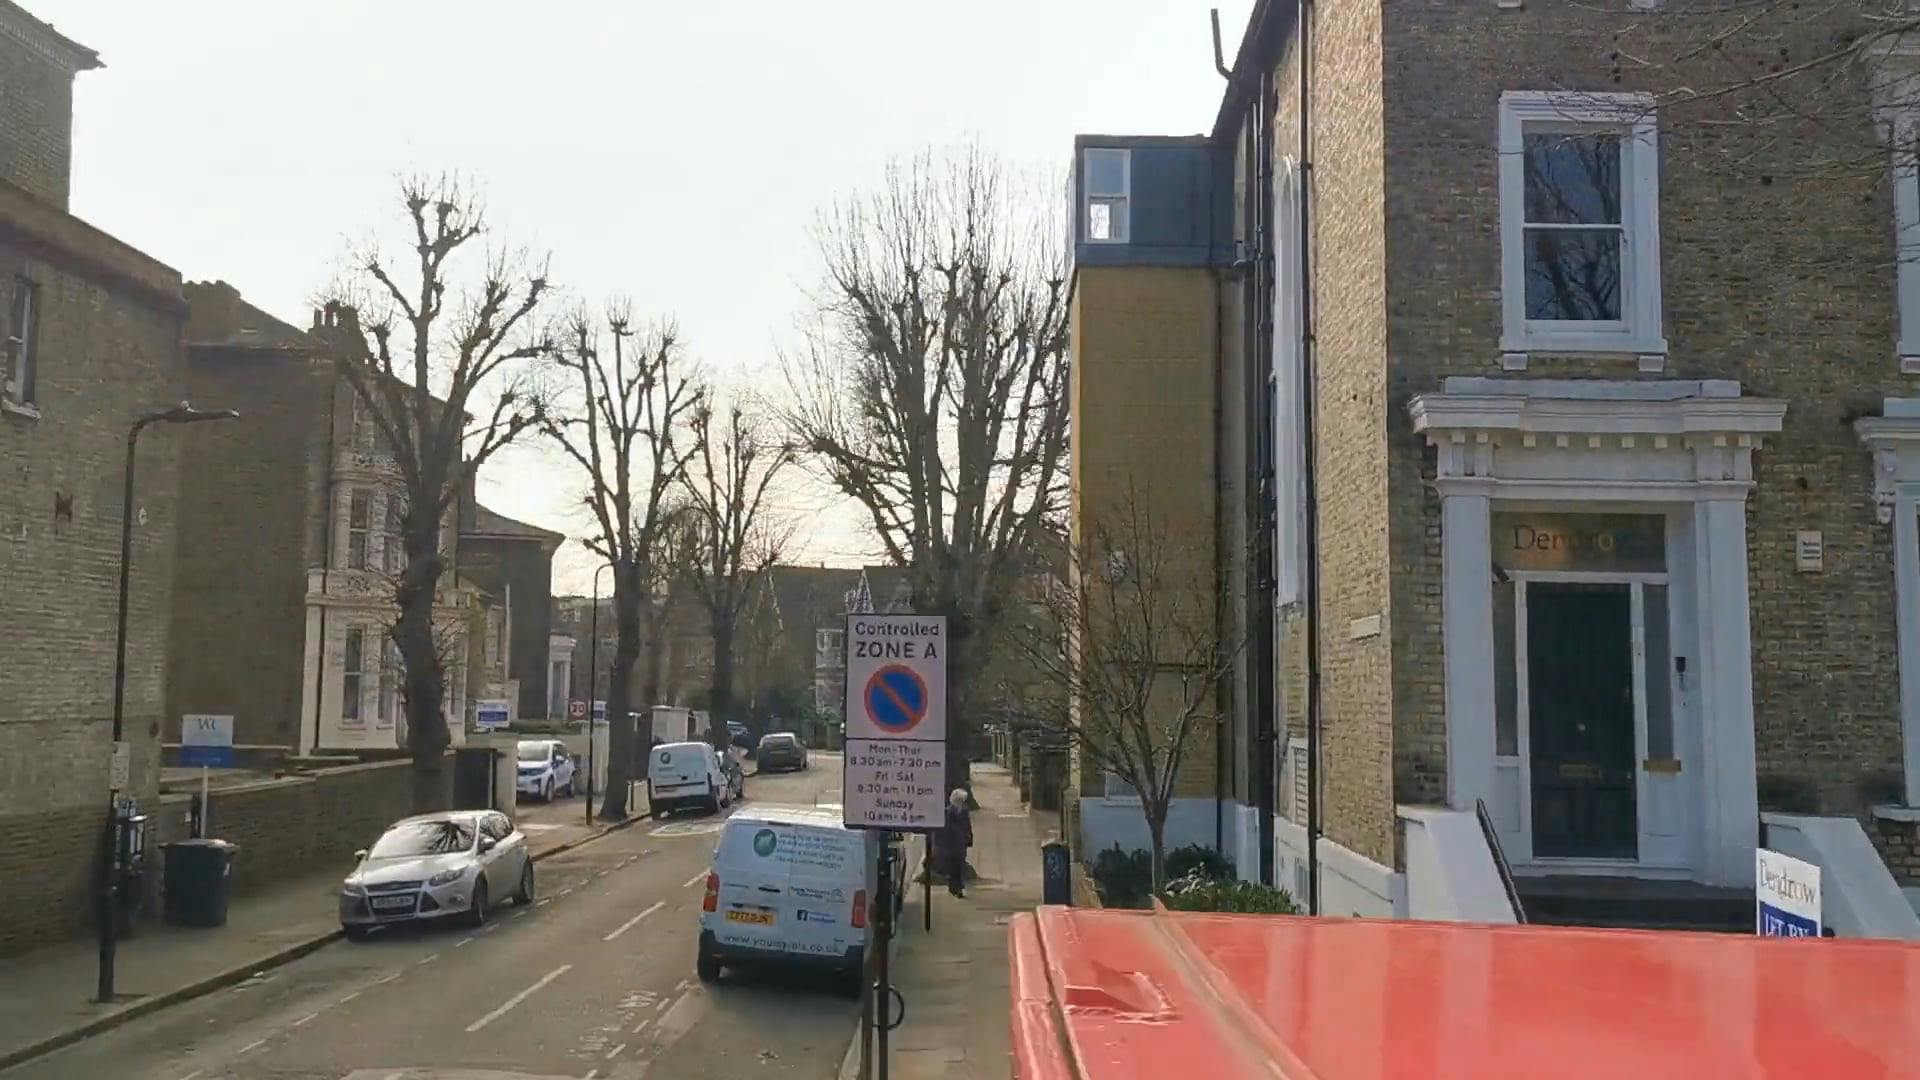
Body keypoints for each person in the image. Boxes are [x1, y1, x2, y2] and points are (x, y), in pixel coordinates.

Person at [941, 788, 973, 898]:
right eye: (961, 800)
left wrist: (969, 838)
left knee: (960, 865)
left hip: (961, 843)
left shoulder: (964, 810)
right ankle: (954, 887)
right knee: (952, 866)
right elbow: (947, 829)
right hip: (951, 844)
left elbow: (968, 825)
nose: (962, 802)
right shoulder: (948, 811)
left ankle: (958, 887)